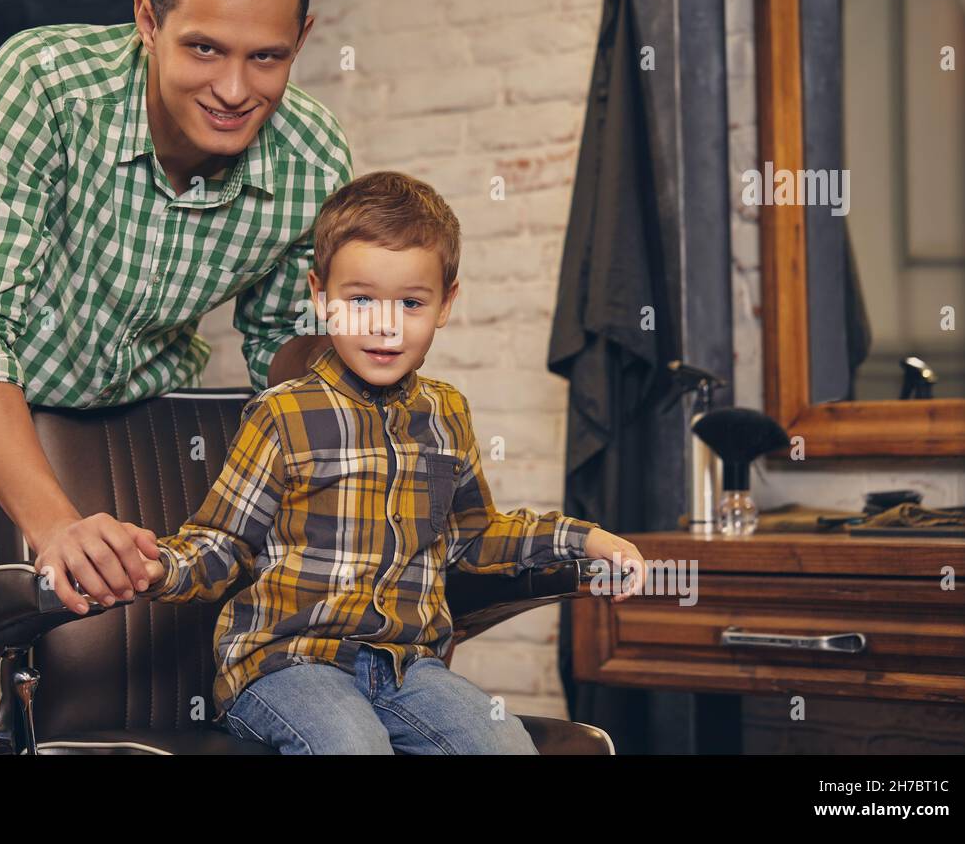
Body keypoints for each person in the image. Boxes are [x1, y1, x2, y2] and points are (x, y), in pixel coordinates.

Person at [0, 0, 349, 754]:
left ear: (303, 38)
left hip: (133, 448)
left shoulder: (314, 155)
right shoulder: (43, 85)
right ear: (148, 21)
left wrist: (343, 364)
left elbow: (280, 352)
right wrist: (55, 526)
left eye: (267, 58)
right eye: (203, 48)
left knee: (127, 707)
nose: (233, 89)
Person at [136, 170, 648, 754]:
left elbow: (476, 538)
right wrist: (157, 567)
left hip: (407, 667)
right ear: (321, 298)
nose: (385, 324)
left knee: (504, 743)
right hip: (288, 665)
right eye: (360, 300)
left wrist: (584, 539)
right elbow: (224, 544)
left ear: (446, 303)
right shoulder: (282, 413)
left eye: (411, 302)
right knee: (354, 746)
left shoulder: (446, 411)